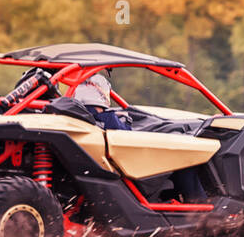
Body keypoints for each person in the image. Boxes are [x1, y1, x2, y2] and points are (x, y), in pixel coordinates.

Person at [72, 72, 208, 204]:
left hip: (112, 173)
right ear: (101, 94)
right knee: (185, 161)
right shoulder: (108, 119)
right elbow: (130, 137)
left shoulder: (78, 120)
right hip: (134, 174)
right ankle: (201, 207)